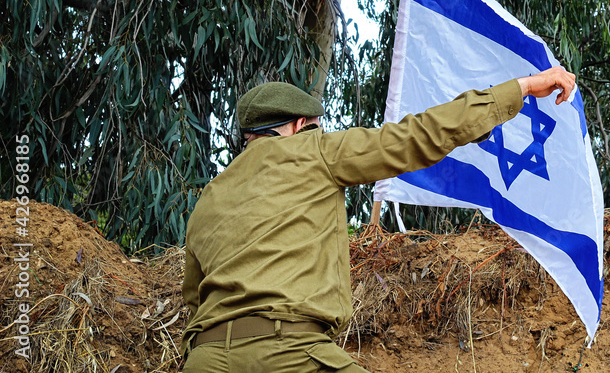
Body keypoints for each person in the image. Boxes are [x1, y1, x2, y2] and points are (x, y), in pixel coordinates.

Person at [181, 66, 576, 372]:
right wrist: (522, 87)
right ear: (300, 126)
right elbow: (418, 136)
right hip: (289, 354)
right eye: (316, 128)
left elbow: (195, 298)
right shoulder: (315, 151)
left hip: (205, 359)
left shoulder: (209, 198)